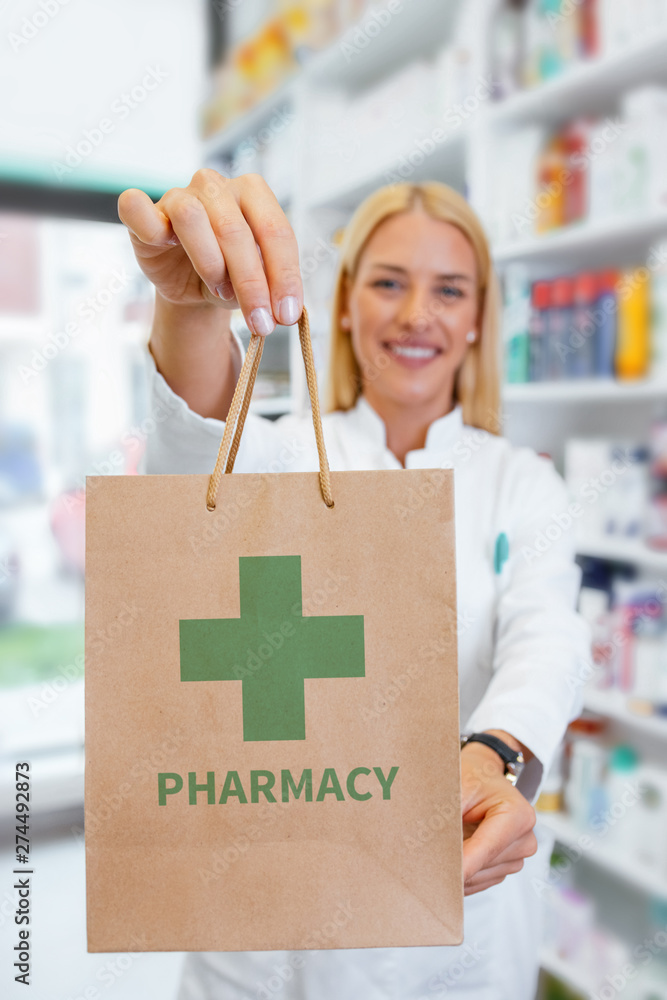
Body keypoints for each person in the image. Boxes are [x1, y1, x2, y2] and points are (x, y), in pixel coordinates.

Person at [118, 170, 591, 1000]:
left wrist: (493, 753)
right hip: (271, 926)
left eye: (449, 290)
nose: (417, 314)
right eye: (388, 283)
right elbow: (192, 477)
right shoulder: (279, 454)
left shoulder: (522, 483)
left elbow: (546, 634)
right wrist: (190, 307)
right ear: (341, 304)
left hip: (457, 923)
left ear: (478, 319)